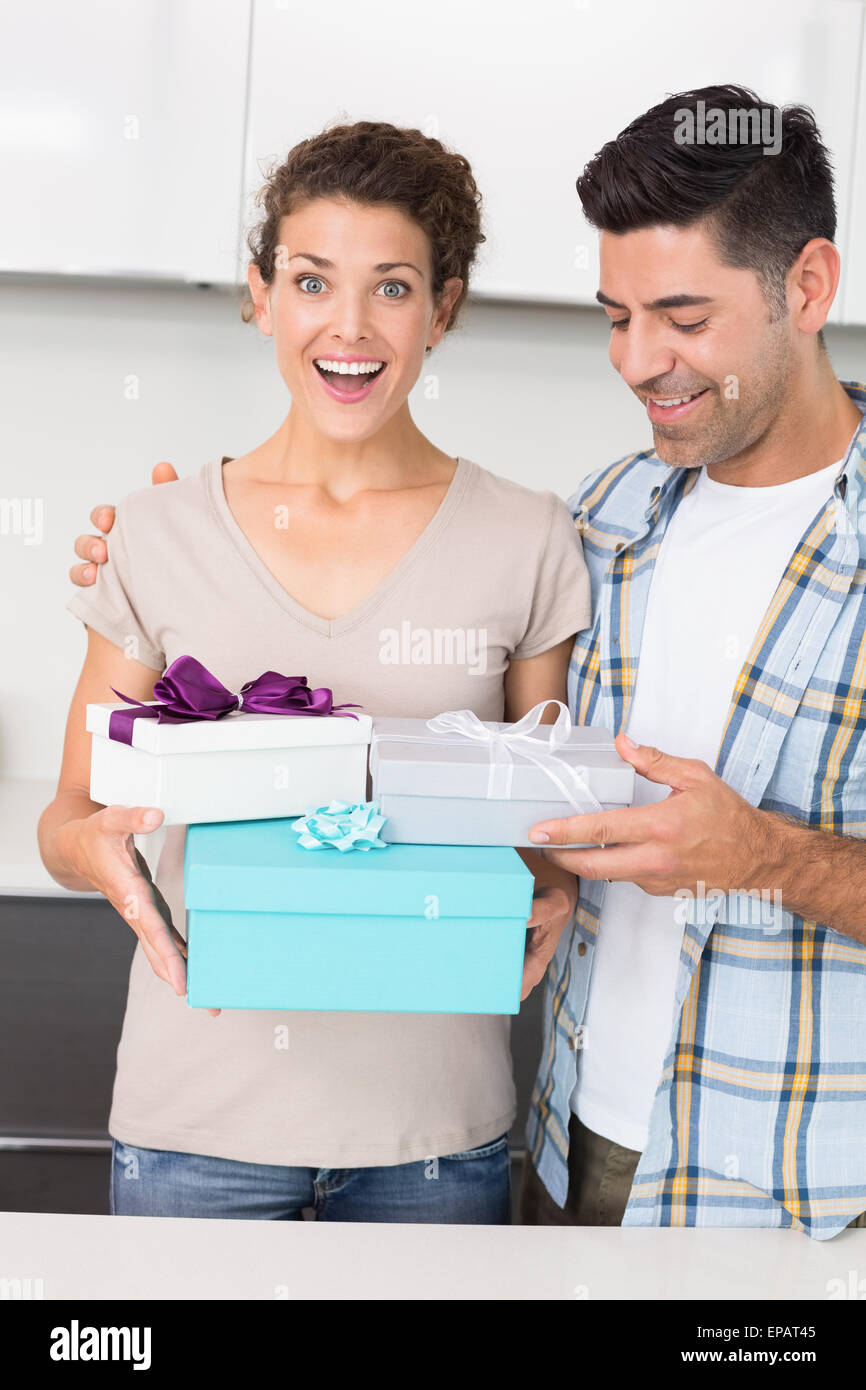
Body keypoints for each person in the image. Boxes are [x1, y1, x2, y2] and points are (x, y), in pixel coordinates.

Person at [40, 120, 589, 1224]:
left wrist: (558, 884)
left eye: (391, 287)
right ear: (260, 295)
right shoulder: (154, 534)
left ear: (444, 307)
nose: (347, 327)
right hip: (195, 1122)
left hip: (435, 1133)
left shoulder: (528, 539)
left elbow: (545, 820)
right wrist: (96, 850)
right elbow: (68, 817)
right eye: (309, 281)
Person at [519, 85, 866, 1238]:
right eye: (615, 316)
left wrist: (767, 857)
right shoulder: (604, 516)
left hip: (806, 1201)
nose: (637, 359)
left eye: (680, 315)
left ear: (806, 286)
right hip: (578, 1152)